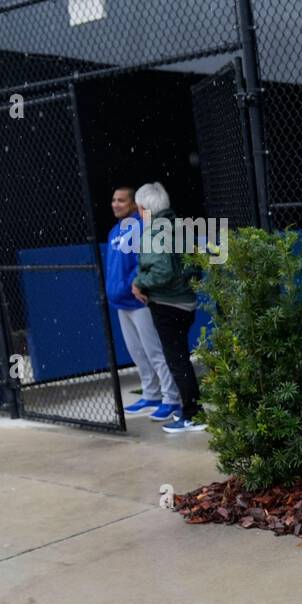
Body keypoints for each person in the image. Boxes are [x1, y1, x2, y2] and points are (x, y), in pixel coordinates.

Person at [129, 182, 206, 433]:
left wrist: (139, 283)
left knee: (177, 361)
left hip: (168, 305)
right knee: (180, 359)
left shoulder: (154, 233)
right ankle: (192, 410)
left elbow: (163, 271)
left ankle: (193, 413)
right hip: (186, 303)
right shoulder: (182, 227)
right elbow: (196, 266)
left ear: (144, 208)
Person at [103, 185, 180, 421]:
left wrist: (132, 285)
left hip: (139, 301)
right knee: (137, 353)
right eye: (114, 200)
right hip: (121, 303)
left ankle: (172, 399)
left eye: (121, 200)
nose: (116, 204)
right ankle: (151, 394)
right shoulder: (116, 230)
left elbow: (143, 262)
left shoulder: (142, 228)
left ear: (134, 205)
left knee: (155, 351)